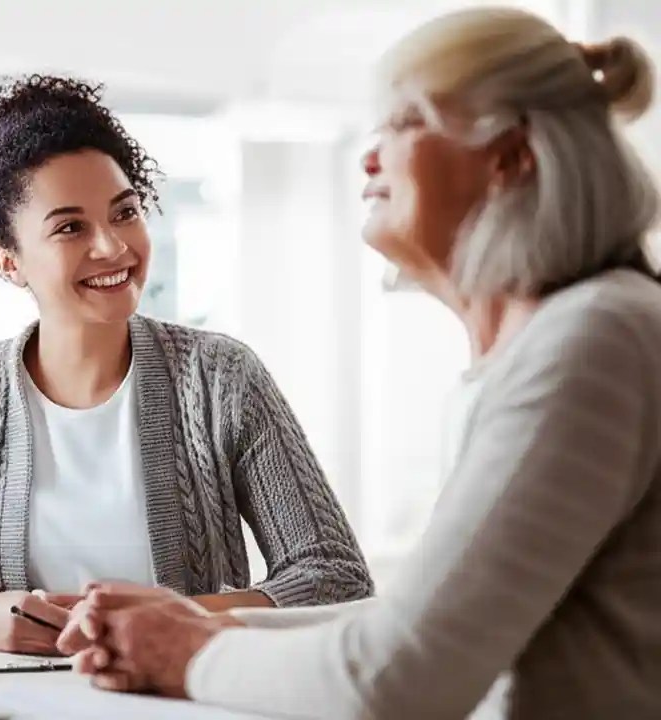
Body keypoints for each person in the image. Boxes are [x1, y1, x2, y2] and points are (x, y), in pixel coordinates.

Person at [66, 7, 661, 719]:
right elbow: (413, 630)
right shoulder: (561, 342)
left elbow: (392, 678)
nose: (370, 156)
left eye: (406, 123)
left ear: (509, 157)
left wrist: (183, 650)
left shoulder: (591, 340)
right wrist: (201, 627)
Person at [0, 75, 372, 654]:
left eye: (125, 212)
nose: (112, 247)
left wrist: (178, 618)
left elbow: (335, 579)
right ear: (10, 262)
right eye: (70, 227)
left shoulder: (222, 377)